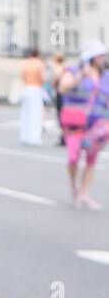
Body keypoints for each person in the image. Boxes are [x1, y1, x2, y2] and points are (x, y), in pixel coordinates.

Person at [58, 41, 109, 209]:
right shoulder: (73, 71)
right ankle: (74, 187)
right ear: (91, 57)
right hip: (76, 123)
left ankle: (84, 193)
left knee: (91, 159)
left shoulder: (105, 76)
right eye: (100, 55)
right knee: (73, 157)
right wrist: (81, 76)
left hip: (98, 124)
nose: (103, 58)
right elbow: (62, 88)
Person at [18, 48, 46, 146]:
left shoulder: (25, 63)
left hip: (26, 88)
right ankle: (34, 138)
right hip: (35, 89)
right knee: (35, 114)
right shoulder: (40, 64)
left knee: (25, 114)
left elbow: (22, 76)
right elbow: (42, 78)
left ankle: (25, 136)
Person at [51, 53, 67, 147]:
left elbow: (55, 82)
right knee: (64, 114)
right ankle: (66, 136)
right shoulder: (66, 67)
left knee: (60, 116)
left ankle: (63, 137)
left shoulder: (57, 68)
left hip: (60, 93)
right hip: (66, 95)